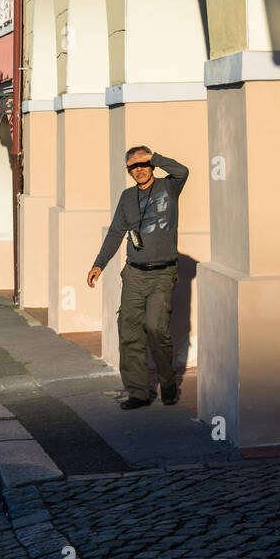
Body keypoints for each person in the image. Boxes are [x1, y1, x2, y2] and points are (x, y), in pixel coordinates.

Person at [87, 147, 188, 410]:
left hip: (163, 273)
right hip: (134, 273)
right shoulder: (127, 197)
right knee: (129, 331)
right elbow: (115, 232)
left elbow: (183, 170)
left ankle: (167, 382)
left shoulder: (169, 187)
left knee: (156, 328)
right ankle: (139, 392)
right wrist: (99, 264)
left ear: (151, 165)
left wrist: (155, 157)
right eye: (133, 167)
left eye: (143, 164)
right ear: (128, 171)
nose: (139, 169)